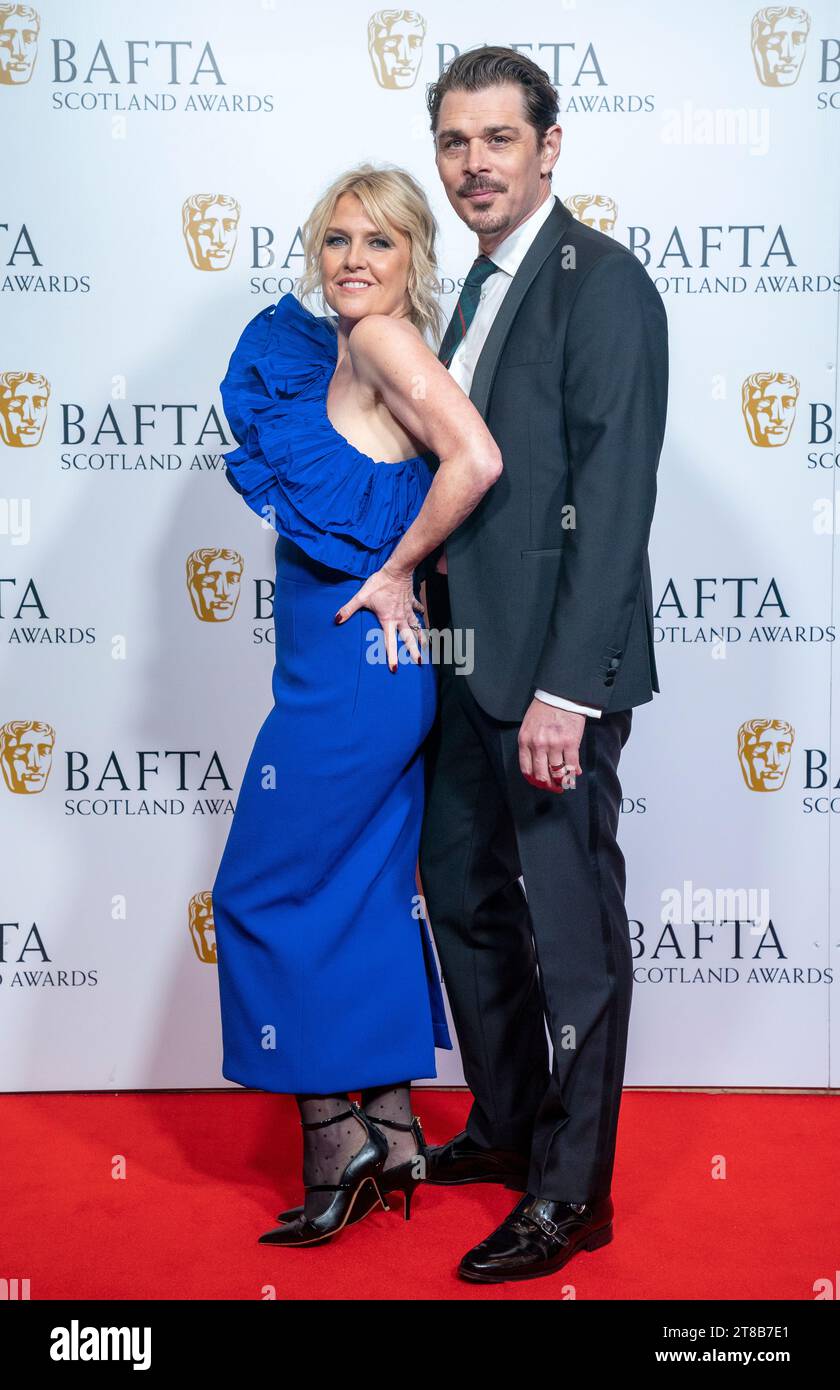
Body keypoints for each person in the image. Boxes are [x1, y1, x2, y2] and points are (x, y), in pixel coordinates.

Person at [412, 45, 669, 1284]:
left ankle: (574, 1194)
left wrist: (568, 690)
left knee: (572, 934)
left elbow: (614, 504)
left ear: (548, 146)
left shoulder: (599, 284)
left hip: (553, 681)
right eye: (455, 142)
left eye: (498, 139)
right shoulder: (471, 290)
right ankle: (511, 1123)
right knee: (460, 896)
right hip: (466, 666)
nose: (475, 163)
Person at [210, 163, 502, 1247]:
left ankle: (338, 1137)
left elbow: (475, 457)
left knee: (262, 892)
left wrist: (399, 566)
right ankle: (394, 1129)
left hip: (354, 680)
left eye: (377, 244)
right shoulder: (323, 348)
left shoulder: (383, 342)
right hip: (350, 676)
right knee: (362, 894)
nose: (351, 261)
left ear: (413, 258)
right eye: (335, 239)